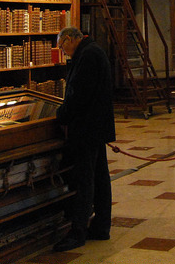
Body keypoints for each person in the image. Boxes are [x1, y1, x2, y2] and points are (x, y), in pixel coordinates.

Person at [53, 26, 115, 251]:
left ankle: (78, 232)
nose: (63, 51)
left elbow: (78, 94)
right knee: (99, 178)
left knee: (85, 180)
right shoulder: (92, 51)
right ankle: (101, 226)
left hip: (87, 129)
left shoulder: (87, 55)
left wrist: (61, 114)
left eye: (62, 46)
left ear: (70, 39)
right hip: (95, 127)